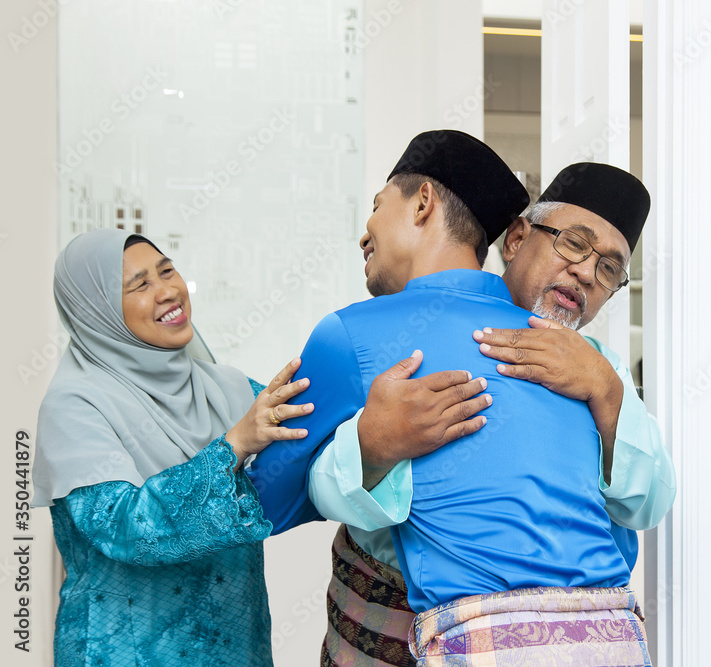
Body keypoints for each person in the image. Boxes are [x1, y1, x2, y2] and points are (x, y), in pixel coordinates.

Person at [249, 132, 653, 664]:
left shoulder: (353, 334)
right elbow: (618, 534)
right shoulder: (571, 355)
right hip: (611, 634)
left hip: (472, 637)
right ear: (515, 239)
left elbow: (261, 505)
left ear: (422, 202)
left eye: (376, 205)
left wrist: (361, 448)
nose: (365, 231)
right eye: (574, 246)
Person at [33, 229, 313, 667]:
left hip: (235, 646)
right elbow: (125, 528)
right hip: (125, 653)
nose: (168, 291)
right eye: (140, 284)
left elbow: (307, 441)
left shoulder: (226, 387)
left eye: (168, 271)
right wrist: (233, 446)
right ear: (98, 312)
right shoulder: (74, 405)